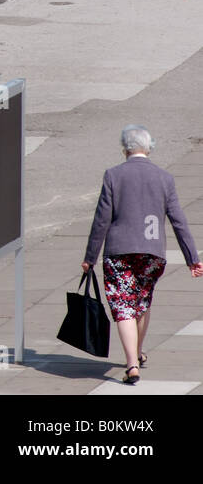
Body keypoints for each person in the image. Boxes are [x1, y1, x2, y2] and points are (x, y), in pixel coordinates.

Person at [82, 125, 203, 384]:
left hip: (119, 253)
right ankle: (136, 352)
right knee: (142, 302)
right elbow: (178, 220)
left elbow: (101, 220)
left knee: (123, 306)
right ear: (149, 148)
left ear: (124, 148)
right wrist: (192, 257)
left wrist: (90, 256)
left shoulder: (113, 175)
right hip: (152, 253)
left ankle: (132, 364)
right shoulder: (164, 178)